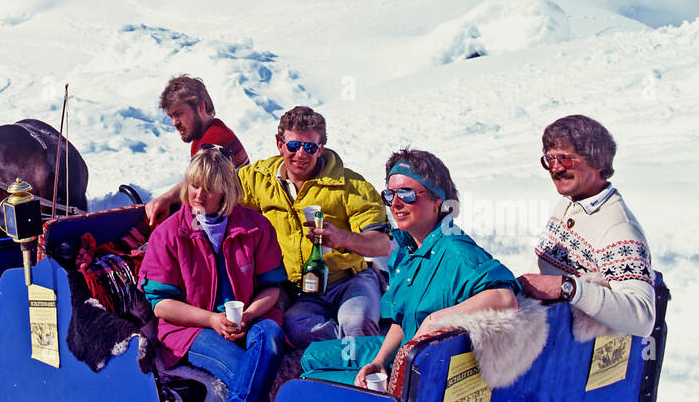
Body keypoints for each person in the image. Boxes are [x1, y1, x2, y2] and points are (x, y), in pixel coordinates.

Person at [302, 149, 519, 387]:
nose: (395, 204)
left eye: (407, 194)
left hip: (425, 373)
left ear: (438, 200)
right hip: (403, 349)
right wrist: (379, 360)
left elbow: (504, 298)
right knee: (312, 356)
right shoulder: (407, 249)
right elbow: (400, 318)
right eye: (389, 195)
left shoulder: (455, 250)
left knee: (311, 379)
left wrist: (435, 320)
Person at [138, 149, 287, 402]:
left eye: (208, 188)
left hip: (250, 319)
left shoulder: (255, 227)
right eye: (193, 186)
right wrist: (211, 319)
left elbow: (272, 288)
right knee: (240, 368)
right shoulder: (168, 234)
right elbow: (162, 305)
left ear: (226, 191)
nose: (198, 195)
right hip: (190, 329)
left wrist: (247, 315)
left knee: (271, 334)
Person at [236, 106, 391, 349]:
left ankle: (368, 371)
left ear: (321, 149)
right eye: (293, 146)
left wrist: (342, 238)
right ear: (279, 145)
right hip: (304, 291)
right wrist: (167, 200)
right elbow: (211, 184)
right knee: (296, 328)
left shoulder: (350, 185)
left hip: (350, 280)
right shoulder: (259, 179)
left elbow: (381, 244)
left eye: (310, 147)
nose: (300, 154)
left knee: (356, 322)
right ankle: (358, 351)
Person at [517, 115, 654, 337]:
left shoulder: (619, 228)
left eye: (565, 159)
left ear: (597, 161)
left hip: (568, 355)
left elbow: (643, 318)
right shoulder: (571, 202)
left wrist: (567, 288)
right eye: (549, 159)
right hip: (545, 334)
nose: (556, 168)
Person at [145, 75, 249, 226]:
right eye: (171, 116)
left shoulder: (214, 141)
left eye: (179, 114)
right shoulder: (204, 136)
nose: (174, 123)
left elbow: (204, 189)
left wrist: (166, 198)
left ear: (200, 107)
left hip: (229, 219)